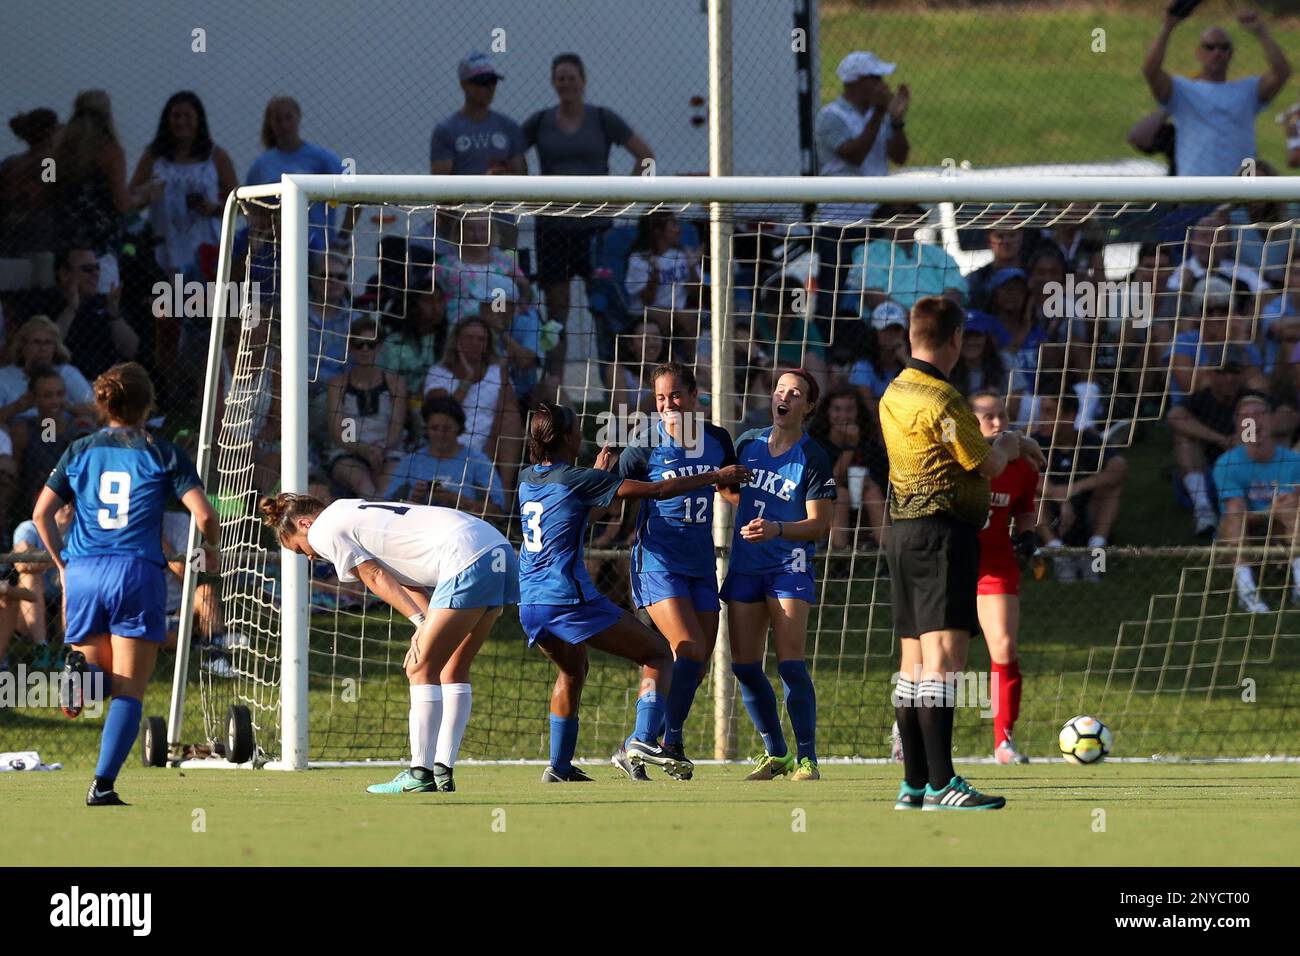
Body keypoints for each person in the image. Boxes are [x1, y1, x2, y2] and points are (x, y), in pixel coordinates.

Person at [517, 402, 749, 783]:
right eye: (578, 428)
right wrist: (714, 476)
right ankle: (642, 741)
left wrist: (596, 476)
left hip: (530, 602)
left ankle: (558, 768)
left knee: (573, 670)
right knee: (658, 653)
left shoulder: (529, 476)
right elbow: (656, 489)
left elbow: (580, 514)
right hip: (568, 599)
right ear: (568, 438)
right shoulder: (577, 478)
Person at [878, 296, 1045, 811]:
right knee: (945, 663)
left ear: (911, 336)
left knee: (912, 664)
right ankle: (943, 782)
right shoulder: (944, 400)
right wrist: (1014, 443)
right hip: (942, 535)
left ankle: (914, 784)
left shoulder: (893, 391)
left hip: (904, 534)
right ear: (954, 339)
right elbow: (987, 464)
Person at [32, 362, 219, 806]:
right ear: (147, 404)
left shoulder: (79, 449)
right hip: (136, 572)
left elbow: (41, 513)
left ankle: (79, 683)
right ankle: (102, 785)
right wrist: (208, 552)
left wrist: (61, 564)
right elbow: (206, 514)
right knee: (129, 691)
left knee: (98, 676)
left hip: (82, 570)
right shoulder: (162, 451)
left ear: (103, 403)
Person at [262, 492, 518, 793]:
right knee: (452, 669)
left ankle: (420, 773)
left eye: (298, 549)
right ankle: (442, 771)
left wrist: (421, 624)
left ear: (304, 524)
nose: (309, 556)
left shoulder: (322, 530)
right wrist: (424, 620)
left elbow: (374, 576)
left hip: (466, 556)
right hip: (497, 549)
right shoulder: (352, 511)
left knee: (419, 668)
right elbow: (409, 579)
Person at [609, 363, 737, 774]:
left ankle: (648, 744)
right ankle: (657, 743)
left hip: (700, 564)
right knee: (687, 647)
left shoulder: (717, 440)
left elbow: (731, 491)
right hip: (658, 563)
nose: (668, 405)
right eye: (661, 398)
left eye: (676, 395)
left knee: (696, 667)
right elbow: (612, 487)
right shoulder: (646, 442)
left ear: (696, 395)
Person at [719, 369, 836, 781]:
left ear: (808, 406)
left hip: (790, 566)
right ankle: (776, 752)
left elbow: (820, 524)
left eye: (797, 393)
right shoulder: (747, 443)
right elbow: (726, 484)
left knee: (790, 664)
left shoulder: (814, 457)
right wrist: (748, 512)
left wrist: (777, 528)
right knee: (745, 667)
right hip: (746, 566)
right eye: (780, 390)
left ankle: (808, 757)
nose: (785, 397)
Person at [524, 53, 655, 397]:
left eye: (571, 77)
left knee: (604, 311)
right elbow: (510, 156)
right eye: (560, 78)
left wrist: (621, 199)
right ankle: (556, 390)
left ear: (583, 80)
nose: (566, 83)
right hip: (553, 230)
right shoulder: (540, 121)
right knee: (557, 315)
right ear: (553, 83)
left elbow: (646, 155)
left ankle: (616, 392)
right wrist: (525, 188)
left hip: (597, 233)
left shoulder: (602, 118)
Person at [968, 389, 1040, 764]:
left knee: (1005, 646)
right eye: (988, 417)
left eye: (1002, 416)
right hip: (951, 565)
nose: (998, 424)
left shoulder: (1022, 466)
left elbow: (1025, 509)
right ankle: (909, 729)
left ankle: (1004, 741)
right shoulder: (959, 461)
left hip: (995, 568)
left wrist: (1027, 534)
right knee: (938, 656)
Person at [1143, 6, 1291, 176]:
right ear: (1199, 52)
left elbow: (1282, 73)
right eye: (1210, 47)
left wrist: (1261, 32)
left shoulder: (1248, 90)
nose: (1217, 53)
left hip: (1240, 192)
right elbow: (1151, 71)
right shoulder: (1181, 90)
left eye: (1223, 47)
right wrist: (1168, 27)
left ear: (1231, 53)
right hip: (1195, 192)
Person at [130, 91, 237, 275]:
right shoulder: (154, 156)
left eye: (187, 116)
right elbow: (130, 198)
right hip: (163, 249)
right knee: (166, 301)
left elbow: (239, 202)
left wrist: (214, 208)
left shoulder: (216, 156)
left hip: (206, 250)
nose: (181, 122)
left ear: (199, 120)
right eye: (176, 116)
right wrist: (147, 195)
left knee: (202, 302)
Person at [1212, 392, 1300, 613]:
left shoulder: (1293, 461)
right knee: (1234, 512)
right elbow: (1236, 513)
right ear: (1239, 427)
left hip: (1283, 531)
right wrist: (1271, 511)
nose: (1254, 421)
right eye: (1246, 417)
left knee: (1293, 508)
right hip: (1243, 533)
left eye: (1260, 414)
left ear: (1270, 421)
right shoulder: (1227, 463)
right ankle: (1246, 591)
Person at [1032, 392, 1129, 583]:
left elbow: (1120, 467)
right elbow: (1025, 473)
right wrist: (1056, 494)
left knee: (1111, 486)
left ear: (1070, 416)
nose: (1043, 419)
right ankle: (1058, 553)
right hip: (1051, 518)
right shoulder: (1034, 443)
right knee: (1030, 492)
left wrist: (1073, 489)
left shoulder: (1089, 441)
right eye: (1041, 412)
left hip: (1087, 514)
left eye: (1050, 412)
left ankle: (1096, 551)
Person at [423, 317, 524, 492]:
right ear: (456, 341)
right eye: (469, 338)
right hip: (451, 439)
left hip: (491, 443)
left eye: (481, 339)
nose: (475, 343)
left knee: (511, 417)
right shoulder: (439, 373)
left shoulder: (497, 372)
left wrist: (491, 444)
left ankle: (504, 497)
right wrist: (467, 379)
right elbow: (441, 411)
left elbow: (508, 410)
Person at [814, 50, 909, 224]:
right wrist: (880, 112)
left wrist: (897, 121)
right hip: (840, 220)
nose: (883, 84)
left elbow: (900, 157)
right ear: (860, 82)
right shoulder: (831, 115)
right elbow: (855, 156)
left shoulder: (879, 114)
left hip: (877, 216)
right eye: (877, 78)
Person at [246, 97, 350, 253]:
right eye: (278, 120)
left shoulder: (322, 159)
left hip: (318, 251)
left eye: (288, 118)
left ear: (299, 117)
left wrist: (342, 237)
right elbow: (249, 205)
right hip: (273, 252)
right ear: (270, 123)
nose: (284, 125)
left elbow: (355, 193)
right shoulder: (262, 164)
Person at [323, 318, 407, 499]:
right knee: (364, 486)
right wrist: (363, 450)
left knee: (386, 491)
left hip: (387, 451)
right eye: (359, 344)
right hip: (348, 453)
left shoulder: (395, 384)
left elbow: (396, 426)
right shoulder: (338, 385)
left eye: (371, 344)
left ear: (380, 346)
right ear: (351, 348)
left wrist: (379, 451)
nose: (365, 350)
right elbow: (341, 432)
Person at [384, 395, 506, 517]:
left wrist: (456, 500)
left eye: (446, 429)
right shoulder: (411, 461)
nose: (440, 434)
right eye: (434, 428)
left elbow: (497, 509)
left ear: (459, 428)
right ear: (426, 428)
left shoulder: (478, 461)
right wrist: (415, 499)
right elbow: (389, 504)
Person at [1168, 361, 1247, 535]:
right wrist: (1222, 440)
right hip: (1205, 478)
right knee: (1183, 437)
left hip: (1245, 476)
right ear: (1210, 374)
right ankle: (1204, 511)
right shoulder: (1199, 399)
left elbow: (1288, 416)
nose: (1229, 378)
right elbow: (1174, 417)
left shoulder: (1252, 398)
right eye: (1222, 373)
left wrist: (1246, 437)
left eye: (1234, 372)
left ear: (1243, 374)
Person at [807, 383, 888, 551]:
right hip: (824, 508)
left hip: (864, 509)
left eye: (849, 409)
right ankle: (838, 556)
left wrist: (869, 483)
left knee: (873, 491)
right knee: (840, 493)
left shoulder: (868, 441)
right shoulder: (817, 443)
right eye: (837, 409)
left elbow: (883, 478)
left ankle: (887, 555)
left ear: (858, 413)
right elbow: (826, 482)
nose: (843, 415)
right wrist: (850, 447)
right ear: (827, 412)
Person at [846, 203, 966, 313]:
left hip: (937, 321)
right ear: (883, 220)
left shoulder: (938, 254)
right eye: (893, 214)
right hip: (890, 324)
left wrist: (937, 315)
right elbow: (874, 297)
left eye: (907, 213)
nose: (900, 218)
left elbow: (956, 290)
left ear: (918, 218)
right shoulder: (868, 252)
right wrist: (913, 319)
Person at [10, 364, 92, 517]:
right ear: (34, 398)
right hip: (35, 505)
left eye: (60, 394)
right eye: (48, 396)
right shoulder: (24, 429)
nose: (55, 401)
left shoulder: (79, 427)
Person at [430, 53, 526, 176]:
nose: (490, 87)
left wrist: (505, 175)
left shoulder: (509, 127)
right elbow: (440, 186)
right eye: (482, 82)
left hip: (501, 195)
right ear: (464, 85)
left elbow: (521, 179)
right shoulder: (446, 130)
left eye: (493, 81)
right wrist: (484, 182)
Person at [624, 210, 705, 352]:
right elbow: (647, 300)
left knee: (688, 320)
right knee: (664, 318)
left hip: (678, 311)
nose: (678, 230)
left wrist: (692, 266)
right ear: (658, 231)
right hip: (646, 311)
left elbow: (697, 294)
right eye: (673, 225)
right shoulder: (639, 259)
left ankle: (692, 365)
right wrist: (655, 272)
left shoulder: (681, 254)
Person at [0, 315, 95, 424]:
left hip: (59, 430)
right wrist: (16, 407)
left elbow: (97, 412)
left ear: (55, 348)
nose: (42, 349)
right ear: (23, 347)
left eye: (48, 343)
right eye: (36, 342)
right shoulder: (3, 376)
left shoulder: (67, 373)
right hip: (20, 432)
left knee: (84, 422)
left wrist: (66, 406)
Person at [0, 107, 60, 256]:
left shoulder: (10, 162)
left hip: (7, 229)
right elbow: (48, 194)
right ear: (49, 132)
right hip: (35, 233)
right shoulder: (48, 161)